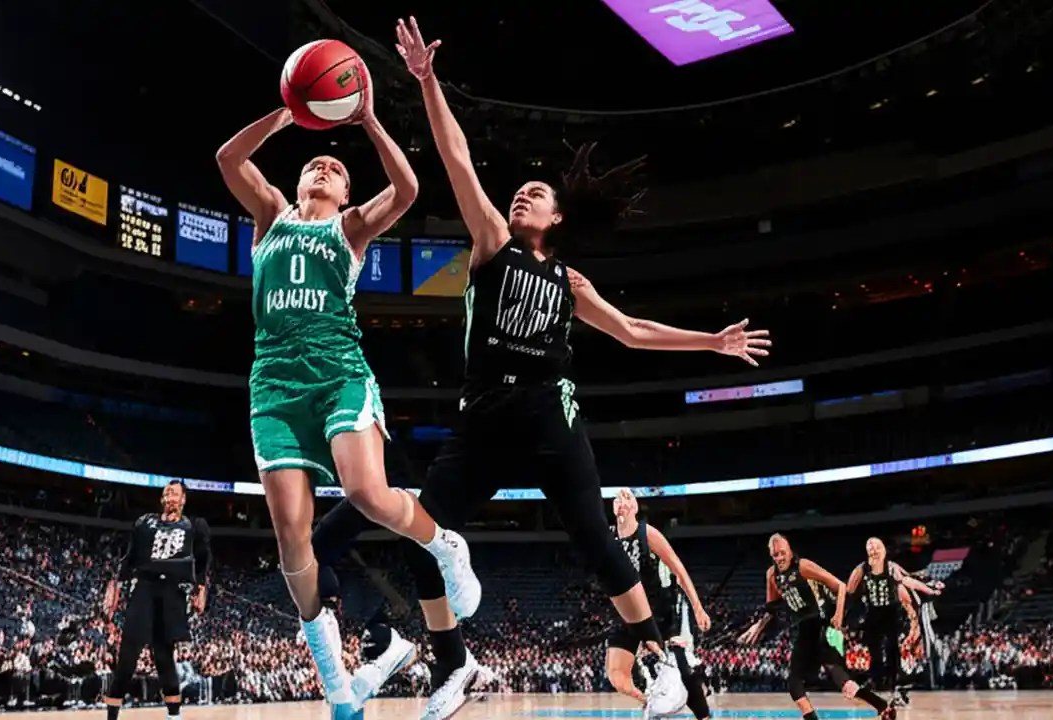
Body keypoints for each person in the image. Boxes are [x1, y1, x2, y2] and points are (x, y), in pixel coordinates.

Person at [308, 17, 773, 720]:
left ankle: (659, 664)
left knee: (593, 532)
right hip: (485, 414)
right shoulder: (494, 243)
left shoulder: (571, 282)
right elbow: (457, 159)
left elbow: (632, 331)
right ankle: (453, 664)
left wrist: (712, 343)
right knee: (420, 540)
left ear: (556, 219)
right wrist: (428, 83)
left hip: (548, 408)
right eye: (520, 190)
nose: (523, 194)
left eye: (536, 192)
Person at [215, 89, 479, 717]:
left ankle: (446, 546)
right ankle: (333, 670)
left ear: (344, 191)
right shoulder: (271, 214)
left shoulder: (351, 225)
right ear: (301, 180)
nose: (324, 167)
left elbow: (408, 190)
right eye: (316, 164)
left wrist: (367, 120)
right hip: (273, 385)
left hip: (337, 370)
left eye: (337, 168)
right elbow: (228, 158)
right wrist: (284, 112)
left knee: (365, 491)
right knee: (290, 541)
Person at [739, 534, 895, 720]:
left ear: (789, 551)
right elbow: (771, 608)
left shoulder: (803, 566)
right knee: (835, 682)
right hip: (804, 627)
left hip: (821, 624)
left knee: (806, 681)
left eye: (782, 553)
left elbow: (840, 586)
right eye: (775, 555)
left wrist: (838, 615)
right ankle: (882, 706)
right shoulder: (772, 575)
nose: (779, 558)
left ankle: (881, 705)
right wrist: (756, 627)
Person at [102, 481, 210, 720]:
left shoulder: (194, 526)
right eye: (166, 493)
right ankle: (111, 716)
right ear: (162, 499)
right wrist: (115, 589)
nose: (170, 496)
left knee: (164, 658)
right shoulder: (145, 523)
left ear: (183, 500)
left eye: (175, 493)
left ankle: (174, 715)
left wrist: (201, 589)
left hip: (173, 593)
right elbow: (129, 559)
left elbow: (202, 561)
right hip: (144, 589)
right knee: (127, 658)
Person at [604, 490, 712, 718]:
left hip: (655, 612)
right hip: (624, 613)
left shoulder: (647, 533)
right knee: (616, 676)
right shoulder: (608, 538)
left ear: (635, 507)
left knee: (684, 670)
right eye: (617, 499)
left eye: (627, 498)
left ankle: (704, 715)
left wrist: (697, 607)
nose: (621, 502)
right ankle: (650, 700)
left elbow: (679, 571)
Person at [846, 537, 934, 705]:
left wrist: (926, 588)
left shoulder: (891, 567)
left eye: (876, 547)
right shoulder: (862, 568)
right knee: (874, 651)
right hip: (873, 611)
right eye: (870, 547)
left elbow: (906, 580)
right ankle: (877, 685)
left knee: (892, 649)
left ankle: (895, 688)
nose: (873, 550)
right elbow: (849, 588)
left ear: (883, 550)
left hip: (891, 611)